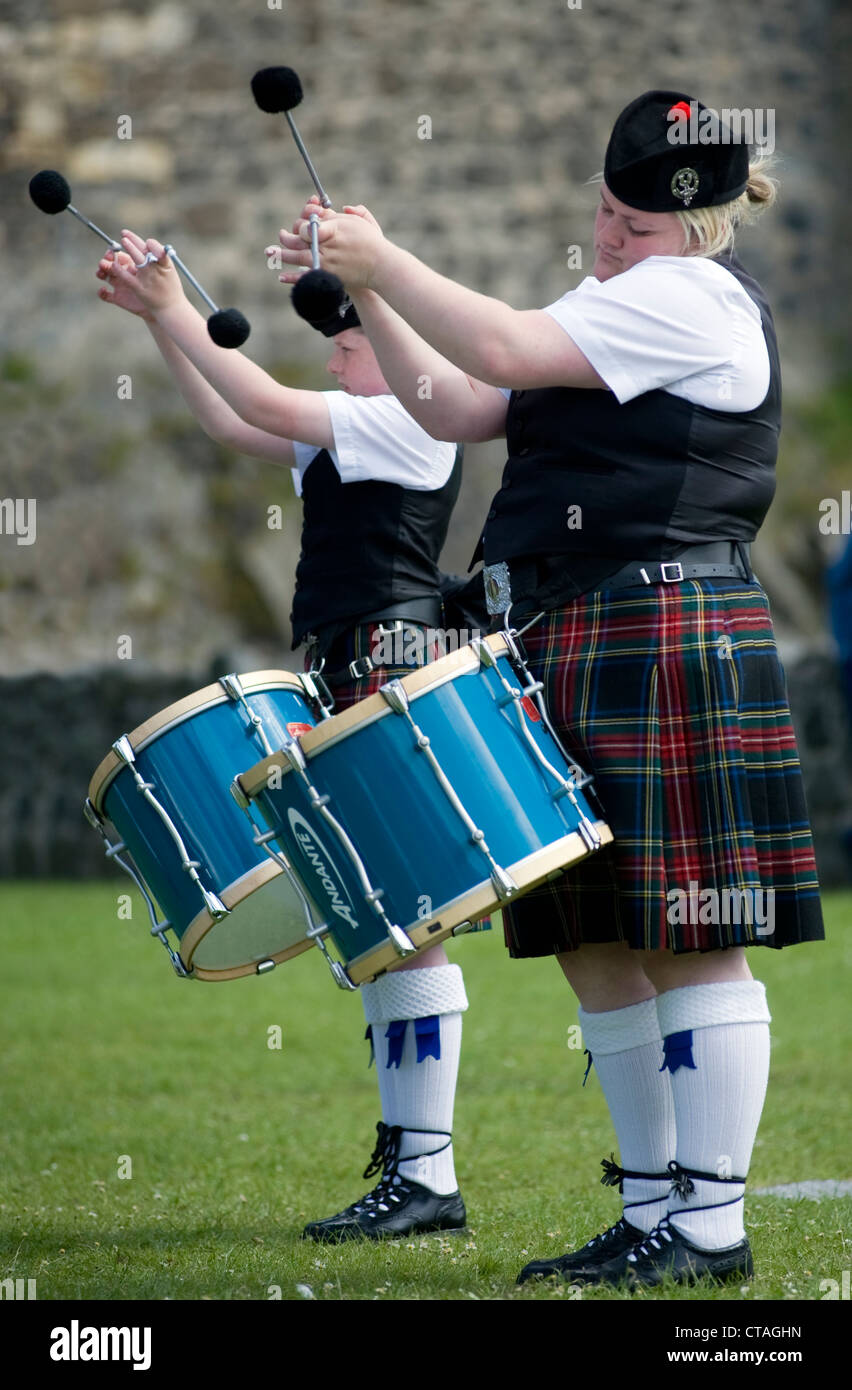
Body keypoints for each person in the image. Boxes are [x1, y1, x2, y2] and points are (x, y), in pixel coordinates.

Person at [276, 90, 825, 1287]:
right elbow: (465, 403)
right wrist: (367, 287)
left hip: (659, 615)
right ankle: (647, 1209)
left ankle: (711, 1229)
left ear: (698, 219)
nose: (612, 231)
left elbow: (506, 350)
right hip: (570, 627)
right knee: (596, 939)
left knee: (694, 933)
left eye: (634, 218)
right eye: (606, 208)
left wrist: (387, 256)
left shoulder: (692, 298)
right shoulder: (619, 300)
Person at [98, 233, 480, 1242]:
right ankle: (421, 1170)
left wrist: (173, 301)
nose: (336, 354)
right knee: (391, 924)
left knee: (408, 920)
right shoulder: (354, 427)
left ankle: (427, 1173)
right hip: (354, 659)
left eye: (347, 338)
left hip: (388, 659)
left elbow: (264, 400)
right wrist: (159, 319)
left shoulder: (405, 423)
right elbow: (234, 419)